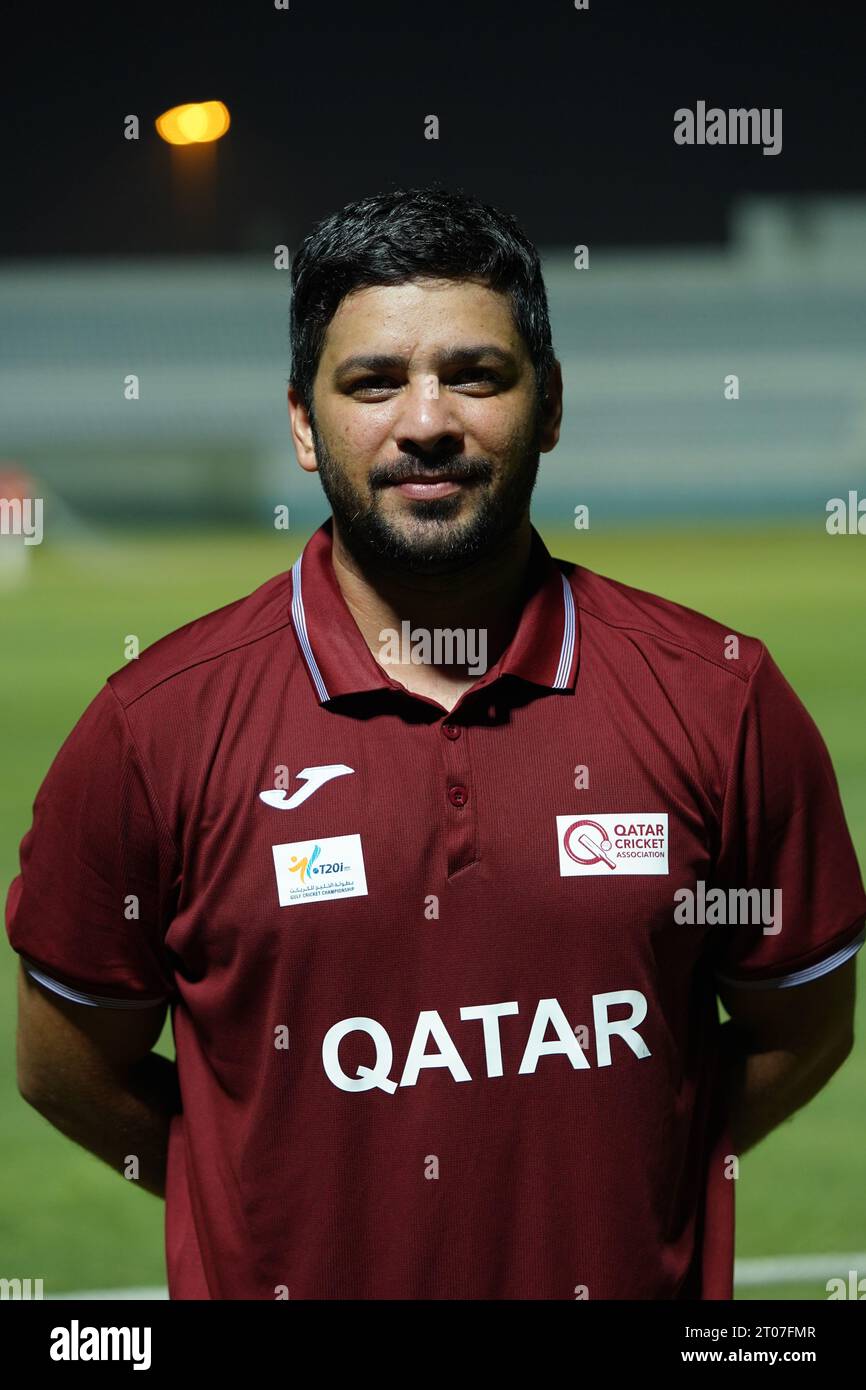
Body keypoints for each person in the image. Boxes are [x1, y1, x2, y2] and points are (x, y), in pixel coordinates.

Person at [7, 186, 864, 1300]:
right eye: (373, 382)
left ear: (547, 403)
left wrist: (636, 1172)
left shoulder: (721, 698)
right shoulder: (151, 728)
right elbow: (65, 1063)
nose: (425, 421)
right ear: (304, 423)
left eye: (474, 374)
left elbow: (798, 1023)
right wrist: (263, 1191)